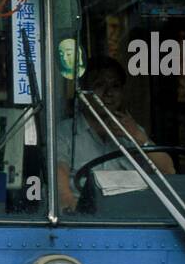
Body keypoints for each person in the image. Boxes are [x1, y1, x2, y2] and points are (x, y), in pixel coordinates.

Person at [57, 56, 175, 212]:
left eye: (115, 86)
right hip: (85, 217)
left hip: (129, 216)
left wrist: (137, 136)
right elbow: (60, 179)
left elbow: (168, 171)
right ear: (83, 91)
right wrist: (72, 211)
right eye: (99, 85)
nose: (108, 93)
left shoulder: (134, 131)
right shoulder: (65, 132)